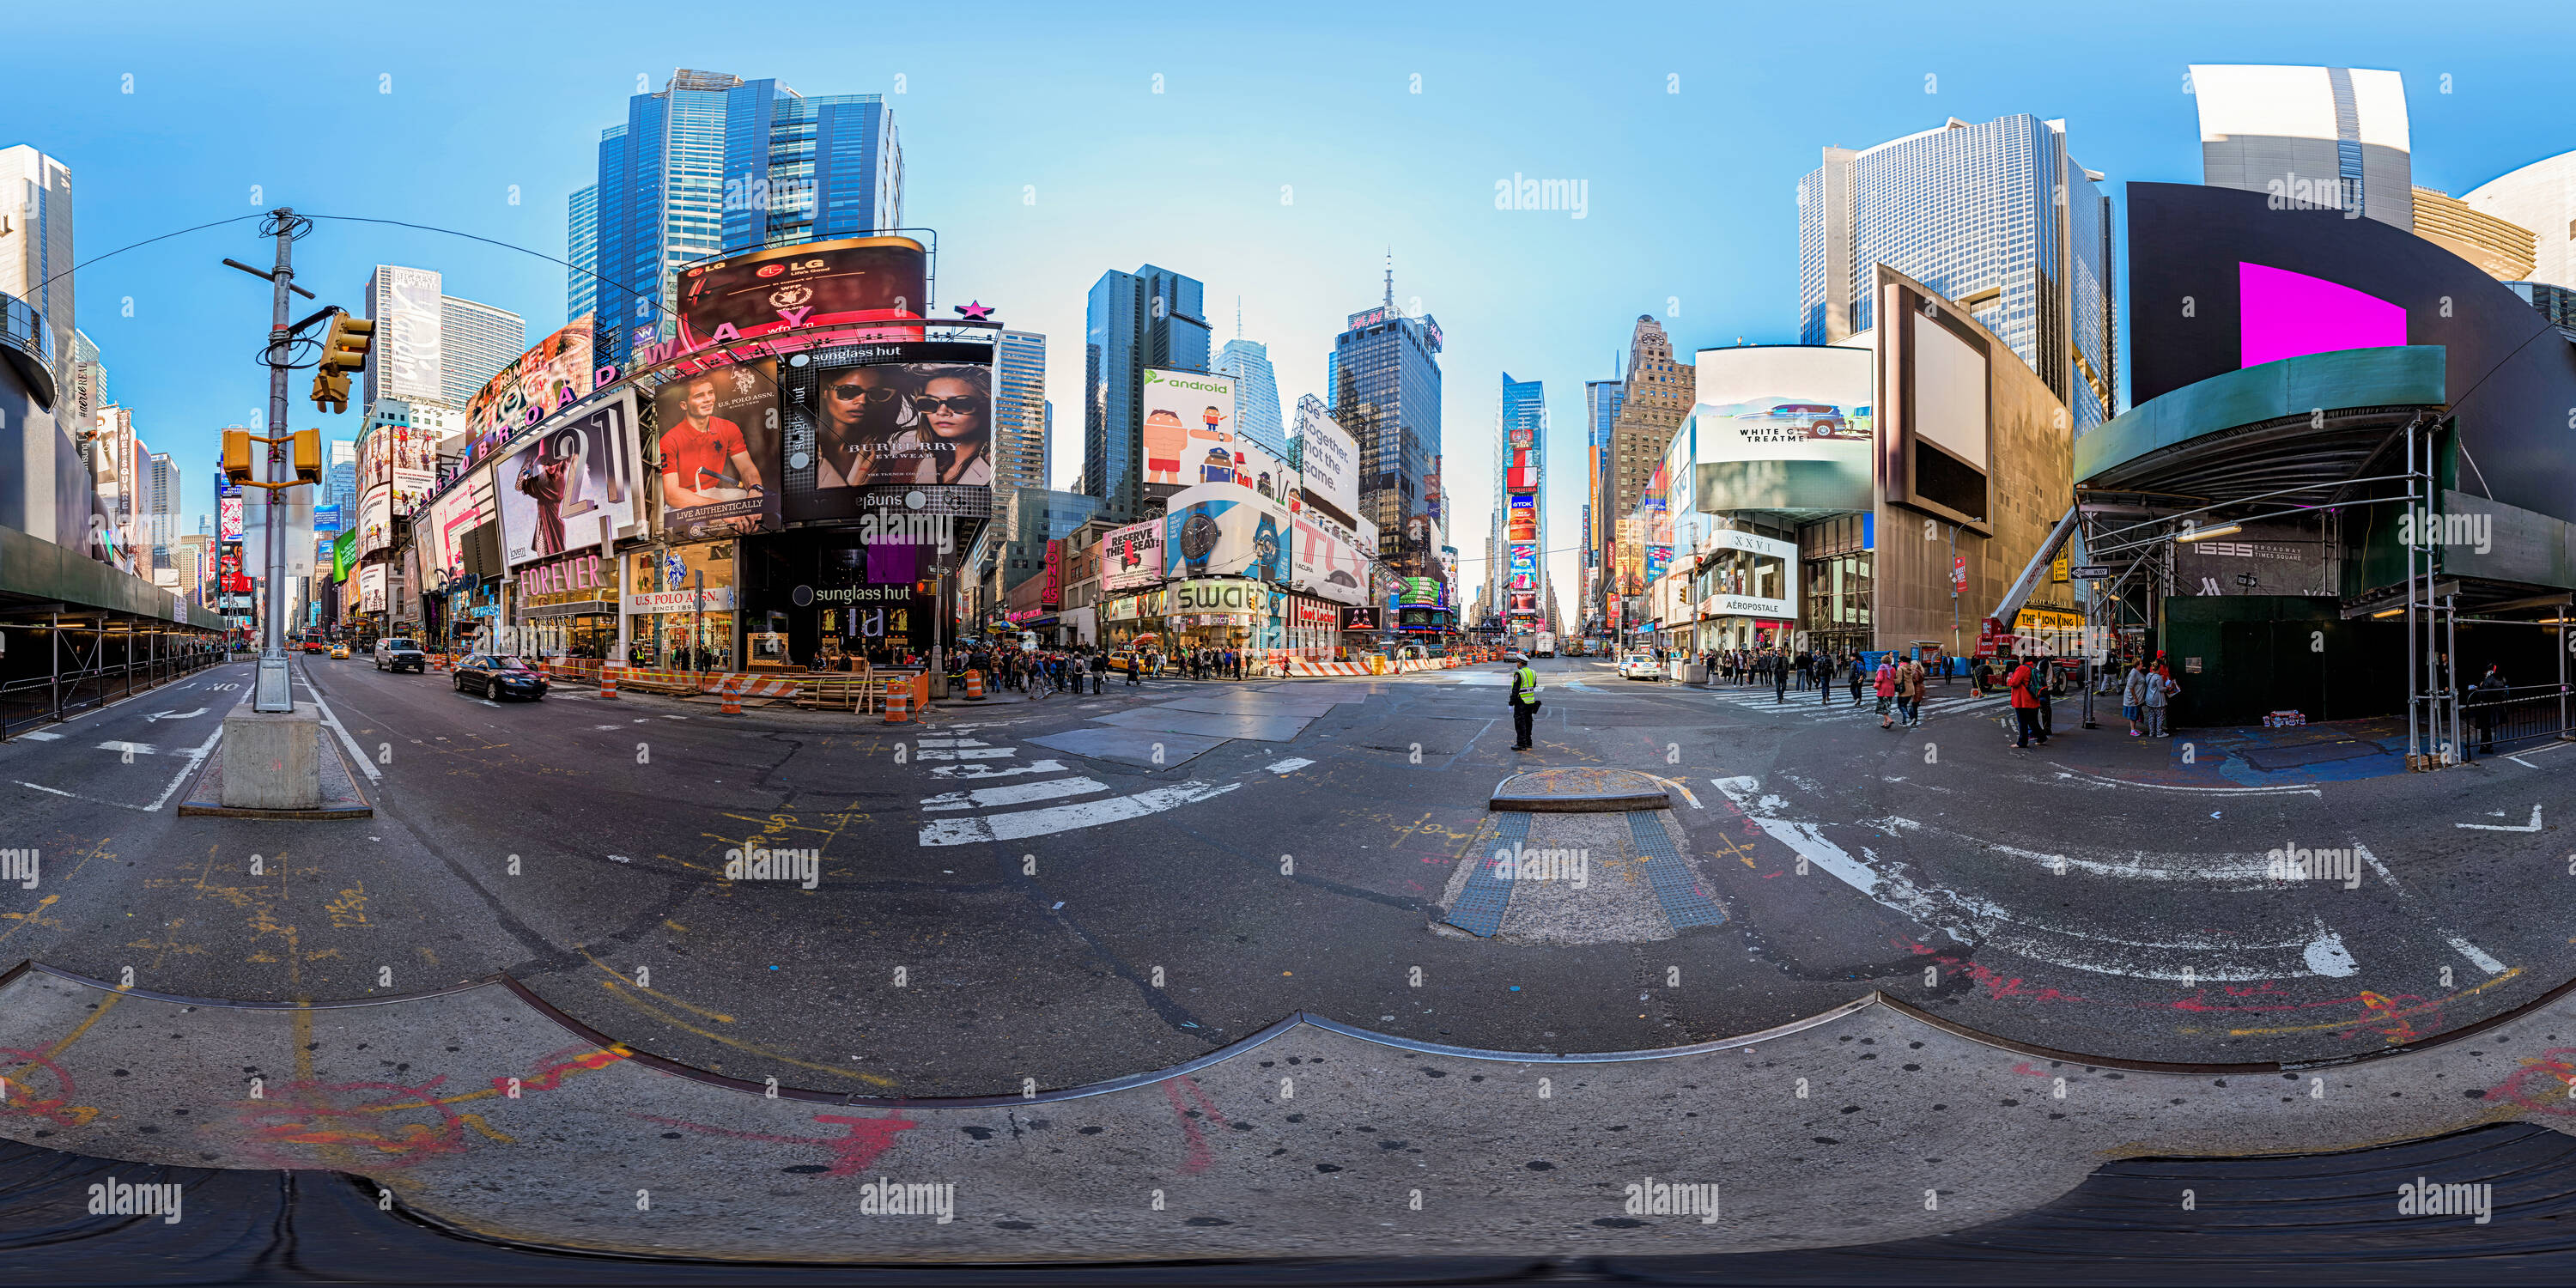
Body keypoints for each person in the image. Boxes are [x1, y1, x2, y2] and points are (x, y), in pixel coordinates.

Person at [659, 375, 765, 513]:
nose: (708, 399)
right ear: (684, 405)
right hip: (684, 501)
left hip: (715, 494)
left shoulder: (728, 428)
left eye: (710, 392)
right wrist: (719, 508)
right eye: (699, 396)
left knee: (758, 503)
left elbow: (746, 467)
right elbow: (672, 495)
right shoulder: (669, 440)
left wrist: (755, 490)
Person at [2008, 657, 2046, 748]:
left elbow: (2014, 682)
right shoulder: (2032, 668)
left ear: (2023, 658)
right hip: (2033, 699)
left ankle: (2022, 742)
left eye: (2020, 657)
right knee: (2033, 722)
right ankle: (2041, 737)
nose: (2019, 659)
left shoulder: (2021, 668)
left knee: (2022, 722)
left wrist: (2009, 679)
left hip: (2023, 700)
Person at [1509, 653, 1540, 750]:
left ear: (1520, 662)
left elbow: (1515, 690)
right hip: (1530, 701)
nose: (1516, 664)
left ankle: (1521, 744)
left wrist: (1511, 703)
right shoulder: (1533, 672)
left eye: (1517, 662)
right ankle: (1528, 742)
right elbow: (1533, 685)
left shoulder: (1519, 674)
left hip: (1521, 701)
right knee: (1528, 722)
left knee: (1520, 723)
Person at [2122, 659, 2151, 737]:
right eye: (2141, 664)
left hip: (2139, 696)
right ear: (2137, 665)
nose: (2142, 665)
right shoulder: (2134, 673)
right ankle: (2132, 730)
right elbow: (2130, 686)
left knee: (2136, 712)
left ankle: (2134, 728)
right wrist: (2135, 698)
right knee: (2133, 713)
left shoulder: (2139, 671)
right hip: (2133, 697)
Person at [1874, 656, 1899, 729]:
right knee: (1887, 707)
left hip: (1883, 690)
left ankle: (1889, 720)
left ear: (1882, 661)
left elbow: (1880, 678)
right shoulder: (1893, 669)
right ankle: (1885, 723)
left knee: (1880, 708)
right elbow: (1894, 677)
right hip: (1891, 689)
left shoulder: (1882, 668)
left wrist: (1876, 678)